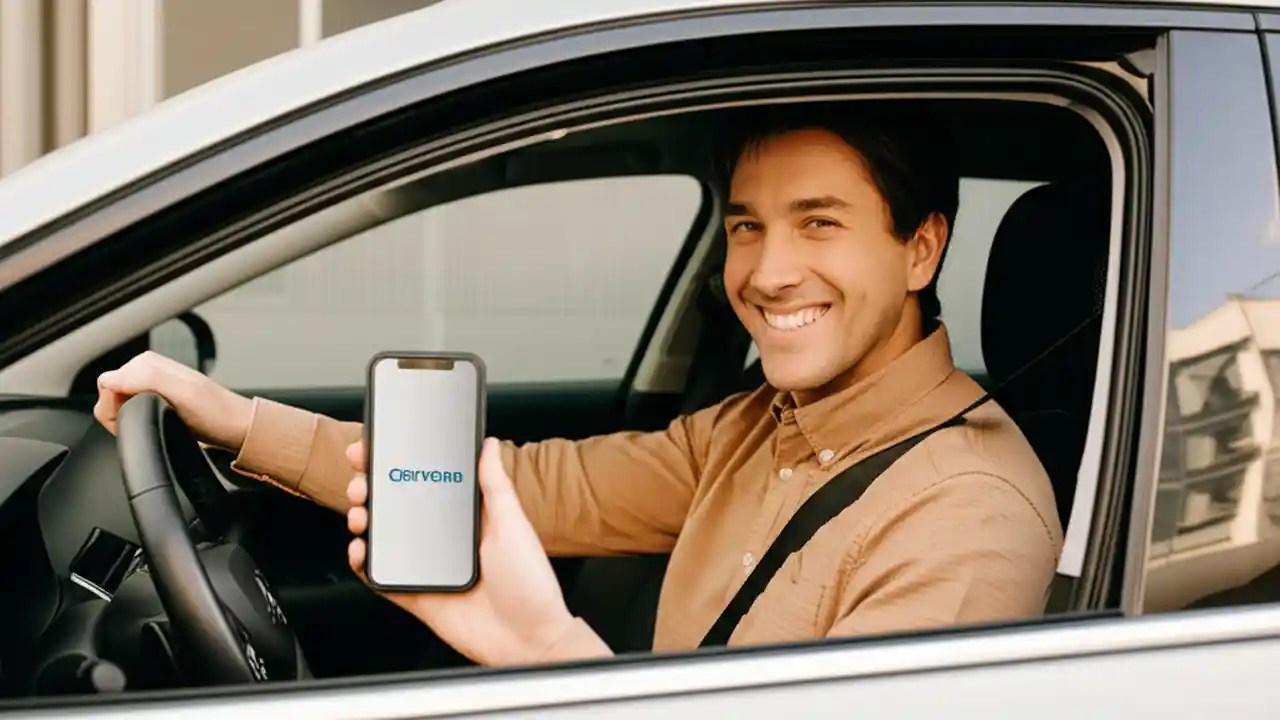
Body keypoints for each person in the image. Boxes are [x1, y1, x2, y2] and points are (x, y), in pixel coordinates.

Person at [94, 105, 1062, 668]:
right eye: (745, 227)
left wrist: (544, 650)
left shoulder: (966, 517)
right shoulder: (750, 428)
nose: (767, 274)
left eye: (817, 224)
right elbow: (526, 483)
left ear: (918, 248)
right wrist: (231, 419)